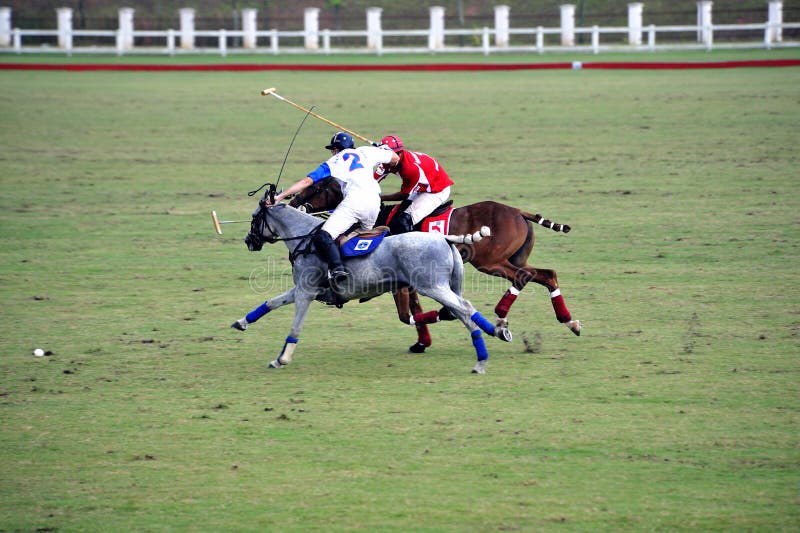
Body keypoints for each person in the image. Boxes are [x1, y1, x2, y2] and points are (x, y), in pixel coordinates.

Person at [266, 131, 399, 284]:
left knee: (324, 236)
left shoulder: (333, 161)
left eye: (332, 149)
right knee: (356, 241)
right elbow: (395, 159)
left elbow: (306, 182)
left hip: (355, 202)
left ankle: (337, 269)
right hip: (375, 204)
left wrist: (279, 197)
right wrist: (382, 149)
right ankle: (367, 277)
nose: (332, 152)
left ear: (336, 149)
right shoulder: (366, 151)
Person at [375, 135, 454, 235]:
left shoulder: (410, 169)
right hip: (422, 185)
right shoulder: (388, 160)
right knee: (396, 215)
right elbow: (372, 180)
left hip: (436, 190)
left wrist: (381, 198)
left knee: (403, 222)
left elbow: (404, 195)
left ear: (398, 153)